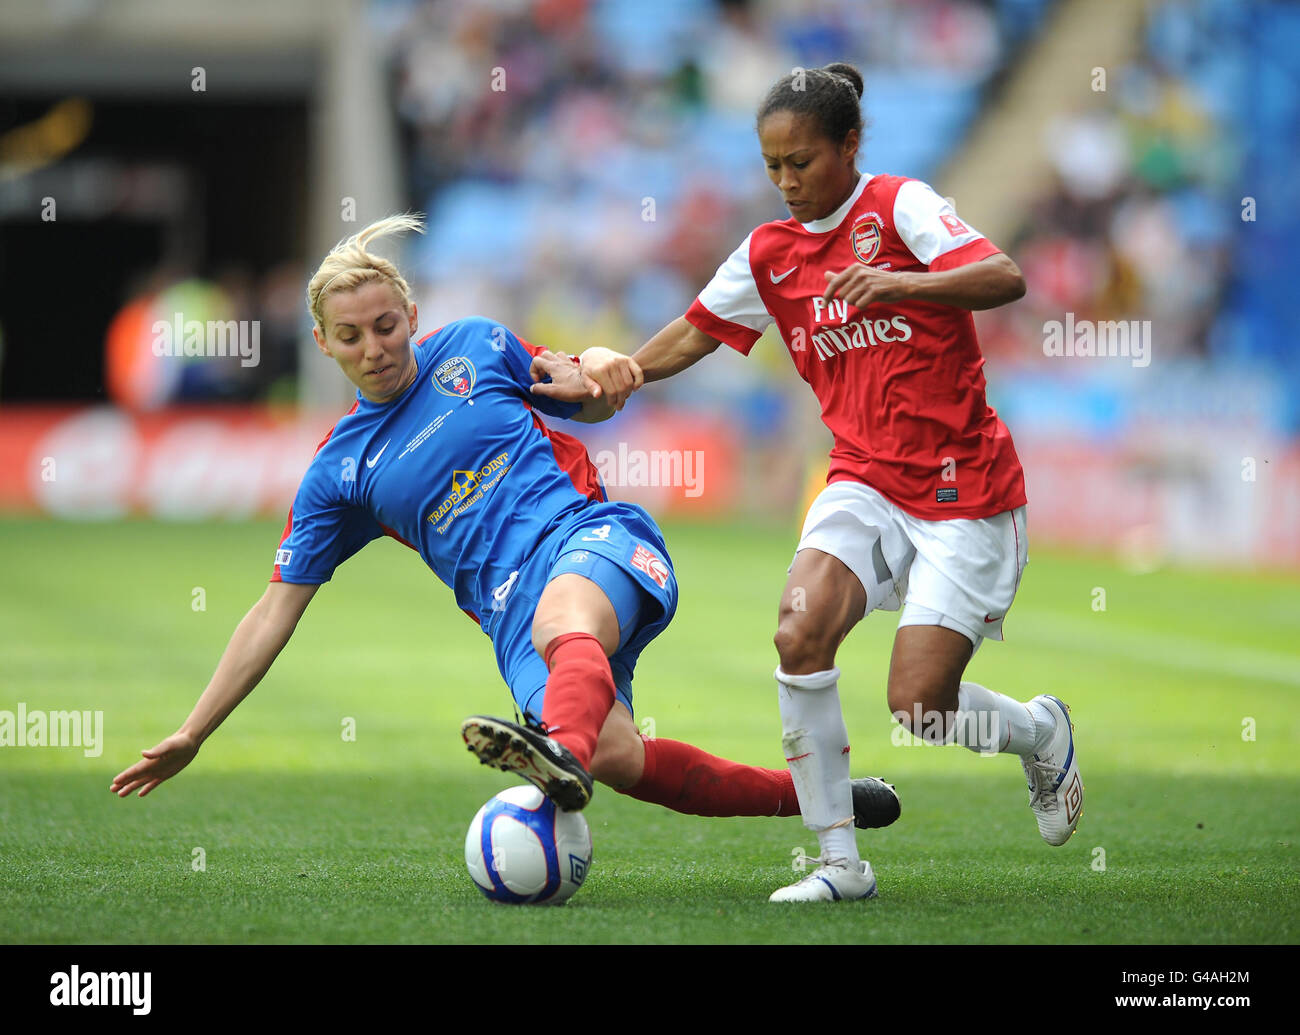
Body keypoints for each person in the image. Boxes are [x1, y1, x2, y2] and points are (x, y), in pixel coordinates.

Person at [109, 214, 901, 842]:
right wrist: (193, 732)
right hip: (512, 621)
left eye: (386, 324)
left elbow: (583, 396)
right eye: (350, 337)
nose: (374, 347)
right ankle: (814, 797)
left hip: (592, 538)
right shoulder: (337, 472)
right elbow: (275, 607)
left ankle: (555, 748)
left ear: (412, 314)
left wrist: (601, 369)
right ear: (323, 343)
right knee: (622, 756)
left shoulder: (476, 345)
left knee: (568, 625)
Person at [578, 63, 1083, 903]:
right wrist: (622, 371)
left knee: (921, 707)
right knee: (796, 633)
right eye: (772, 165)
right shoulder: (769, 252)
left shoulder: (900, 206)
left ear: (849, 145)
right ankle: (840, 864)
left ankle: (1038, 730)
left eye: (801, 161)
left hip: (963, 486)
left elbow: (1004, 275)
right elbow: (698, 332)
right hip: (863, 477)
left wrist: (900, 282)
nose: (785, 182)